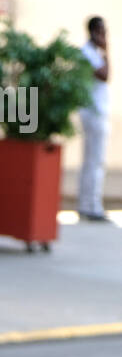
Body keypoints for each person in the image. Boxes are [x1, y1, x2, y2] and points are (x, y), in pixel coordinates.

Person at [78, 17, 111, 222]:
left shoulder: (93, 53)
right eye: (102, 31)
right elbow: (105, 75)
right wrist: (107, 50)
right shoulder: (87, 53)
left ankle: (87, 204)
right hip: (93, 113)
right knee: (95, 160)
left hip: (96, 112)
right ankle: (92, 206)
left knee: (92, 160)